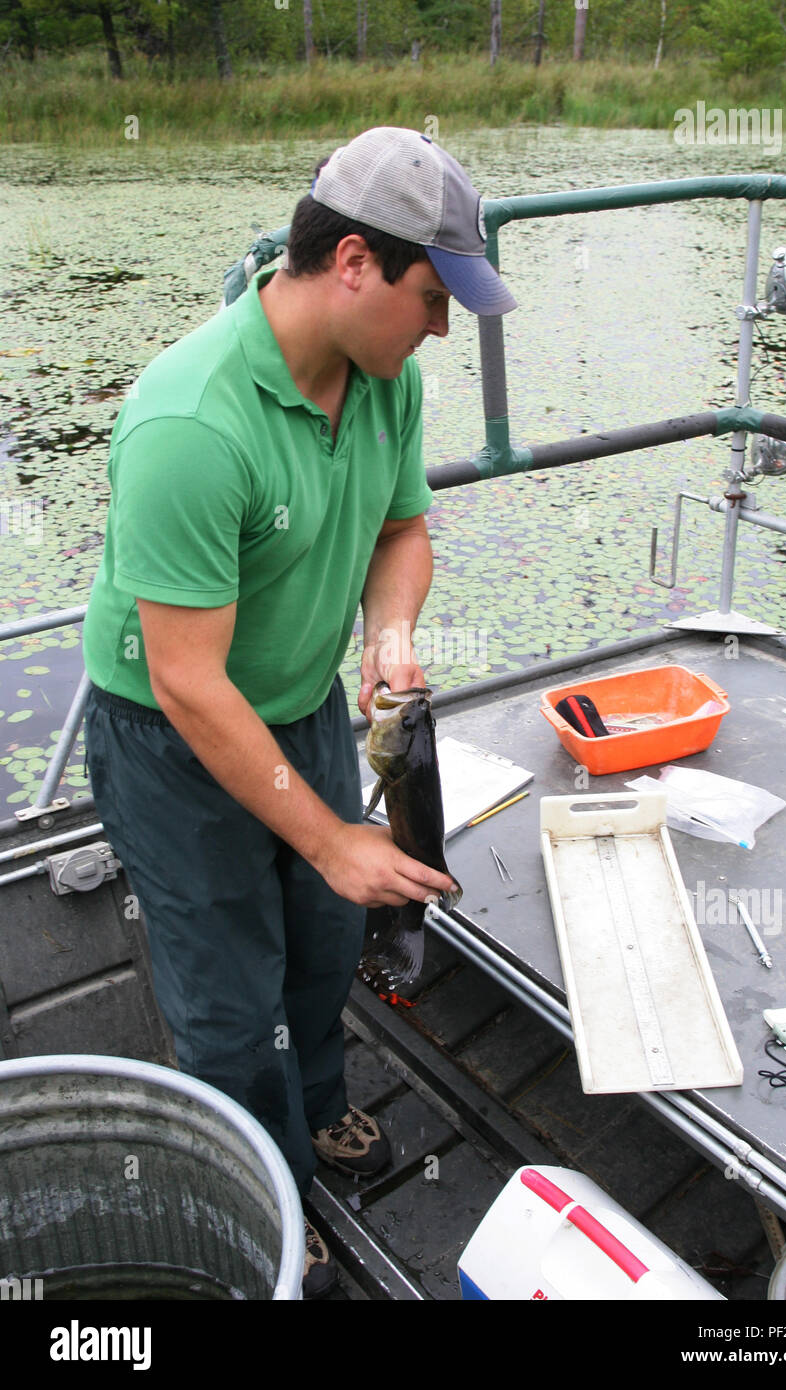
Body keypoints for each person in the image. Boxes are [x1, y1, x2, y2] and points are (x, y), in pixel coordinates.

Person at [81, 126, 516, 1299]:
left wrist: (389, 632)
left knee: (323, 943)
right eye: (432, 299)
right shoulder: (190, 420)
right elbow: (185, 679)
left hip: (303, 706)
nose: (439, 330)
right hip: (173, 739)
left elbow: (400, 530)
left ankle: (316, 1108)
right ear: (356, 265)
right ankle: (263, 1187)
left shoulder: (387, 378)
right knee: (229, 997)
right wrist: (328, 835)